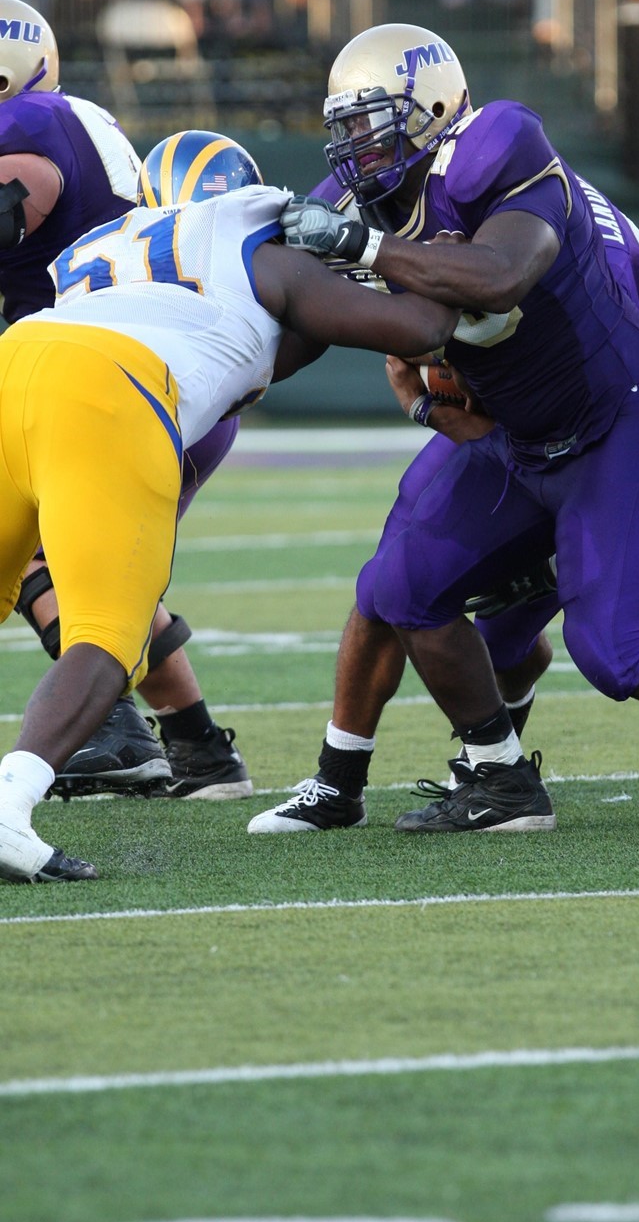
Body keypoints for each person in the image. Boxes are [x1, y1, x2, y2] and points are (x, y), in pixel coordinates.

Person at [275, 21, 639, 843]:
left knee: (611, 651)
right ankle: (500, 778)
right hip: (520, 438)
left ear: (432, 109)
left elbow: (498, 275)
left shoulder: (497, 148)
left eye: (374, 124)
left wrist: (363, 248)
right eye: (347, 129)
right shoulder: (354, 204)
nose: (358, 148)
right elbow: (303, 315)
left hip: (624, 422)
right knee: (401, 588)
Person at [0, 129, 459, 883]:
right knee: (108, 639)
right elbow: (424, 329)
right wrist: (394, 259)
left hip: (18, 356)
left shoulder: (116, 239)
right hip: (109, 388)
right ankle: (8, 807)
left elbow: (265, 350)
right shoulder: (263, 250)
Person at [248, 167, 639, 835]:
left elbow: (568, 390)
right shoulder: (403, 190)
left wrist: (438, 399)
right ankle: (344, 780)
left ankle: (495, 774)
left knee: (515, 631)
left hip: (596, 432)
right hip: (519, 420)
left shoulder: (533, 214)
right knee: (391, 581)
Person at [0, 0, 247, 800]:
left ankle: (116, 730)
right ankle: (194, 749)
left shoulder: (29, 124)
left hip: (114, 383)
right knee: (97, 568)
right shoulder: (65, 118)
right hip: (131, 379)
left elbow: (14, 202)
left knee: (60, 559)